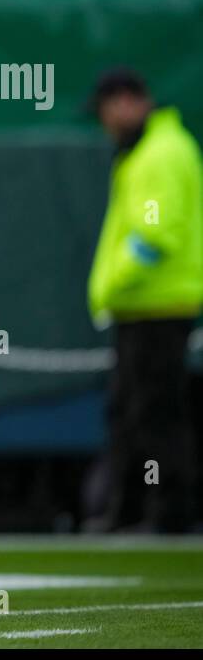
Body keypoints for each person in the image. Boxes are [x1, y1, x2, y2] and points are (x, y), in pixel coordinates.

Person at [86, 68, 202, 533]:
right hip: (141, 306)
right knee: (131, 413)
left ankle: (170, 515)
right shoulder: (143, 153)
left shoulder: (161, 153)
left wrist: (118, 279)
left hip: (159, 305)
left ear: (128, 101)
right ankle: (129, 512)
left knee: (157, 415)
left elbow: (157, 233)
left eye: (106, 110)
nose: (105, 122)